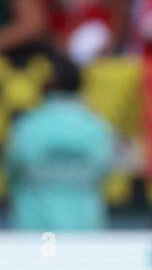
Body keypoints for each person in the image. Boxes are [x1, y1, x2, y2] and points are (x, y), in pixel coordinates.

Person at [5, 55, 114, 231]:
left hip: (33, 237)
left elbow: (12, 171)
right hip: (85, 234)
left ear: (48, 85)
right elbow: (104, 172)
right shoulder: (97, 127)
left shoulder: (27, 125)